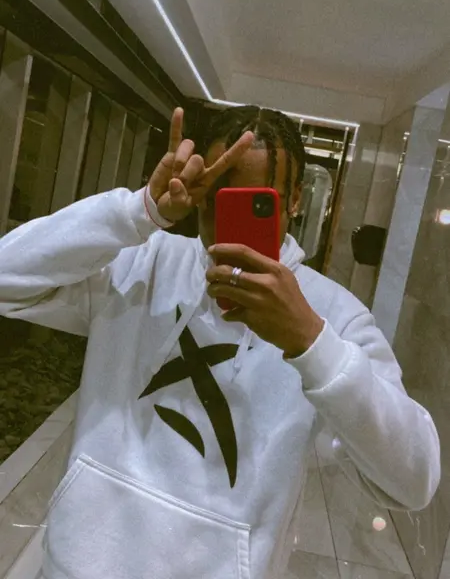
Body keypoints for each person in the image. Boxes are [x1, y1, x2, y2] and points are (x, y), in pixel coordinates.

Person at [0, 106, 440, 579]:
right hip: (78, 564)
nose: (227, 221)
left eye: (259, 201)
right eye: (217, 198)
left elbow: (414, 482)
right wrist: (137, 212)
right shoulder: (141, 262)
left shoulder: (332, 315)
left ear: (294, 199)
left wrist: (313, 344)